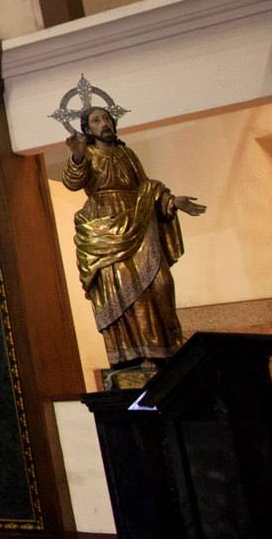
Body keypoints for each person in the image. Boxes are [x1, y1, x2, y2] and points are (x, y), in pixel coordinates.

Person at [61, 104, 207, 367]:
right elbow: (73, 183)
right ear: (88, 130)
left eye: (107, 118)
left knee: (160, 283)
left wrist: (171, 201)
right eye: (97, 121)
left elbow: (146, 187)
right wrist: (78, 157)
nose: (105, 123)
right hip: (105, 229)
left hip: (138, 219)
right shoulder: (88, 154)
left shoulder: (126, 153)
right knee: (122, 289)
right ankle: (133, 355)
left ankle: (166, 346)